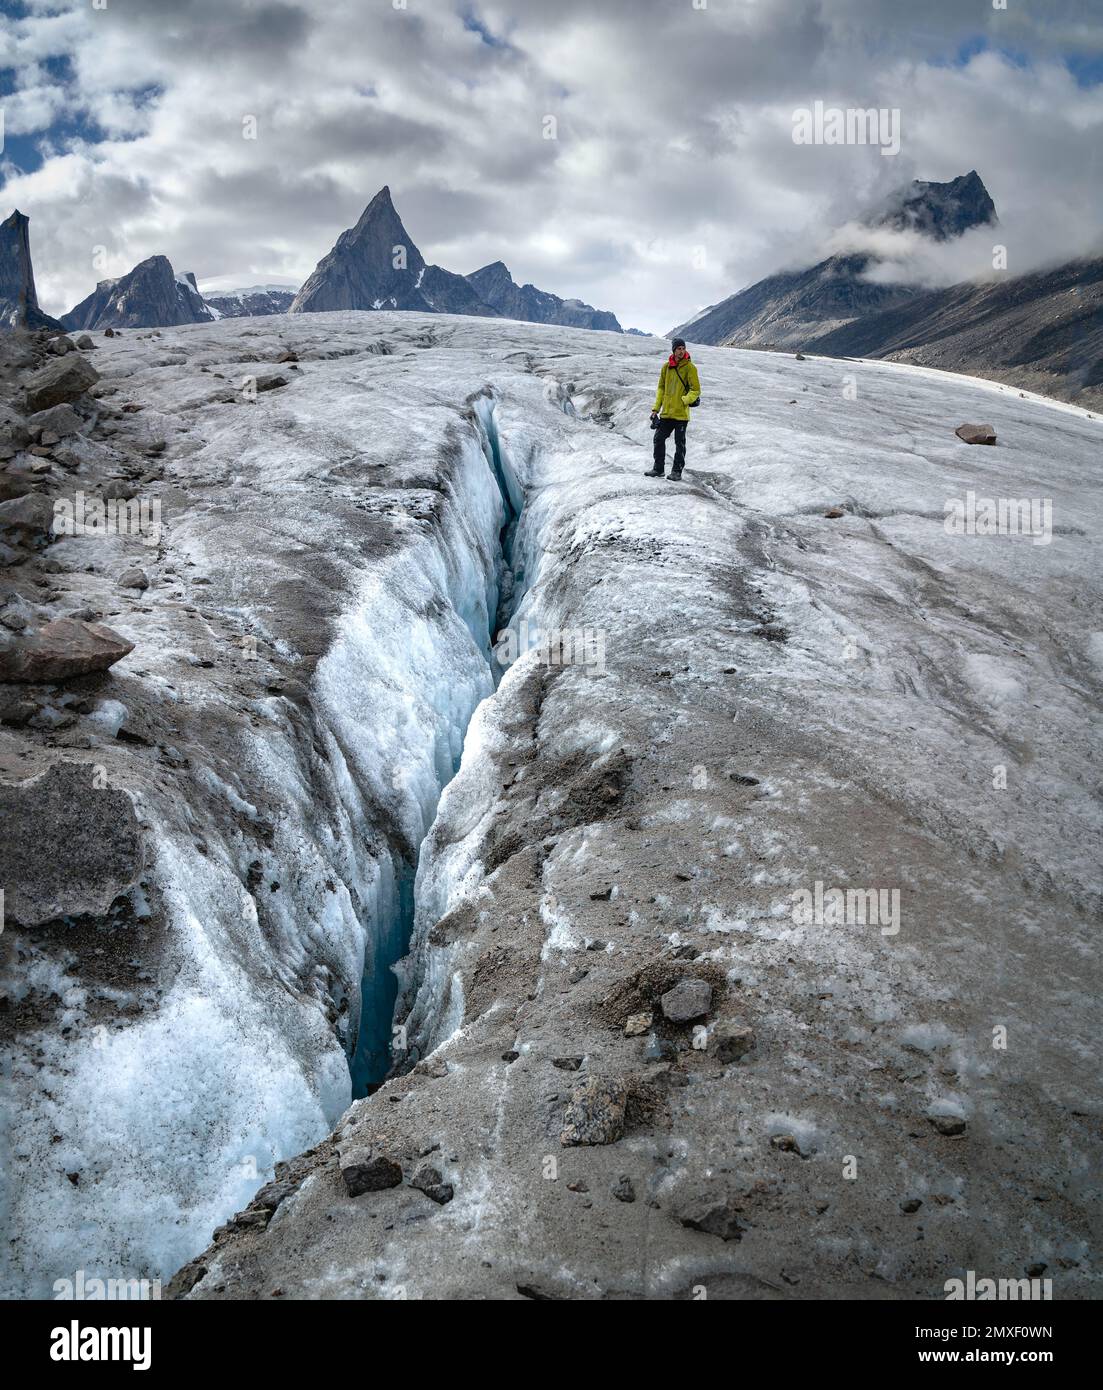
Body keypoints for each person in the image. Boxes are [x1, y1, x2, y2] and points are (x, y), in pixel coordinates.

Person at [645, 337, 700, 480]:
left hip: (681, 414)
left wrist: (684, 400)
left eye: (683, 348)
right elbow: (661, 389)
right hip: (667, 413)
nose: (681, 351)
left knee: (679, 444)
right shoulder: (666, 367)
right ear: (674, 350)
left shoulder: (690, 367)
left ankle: (677, 472)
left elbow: (696, 390)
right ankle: (658, 469)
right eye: (678, 349)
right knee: (658, 439)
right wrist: (656, 409)